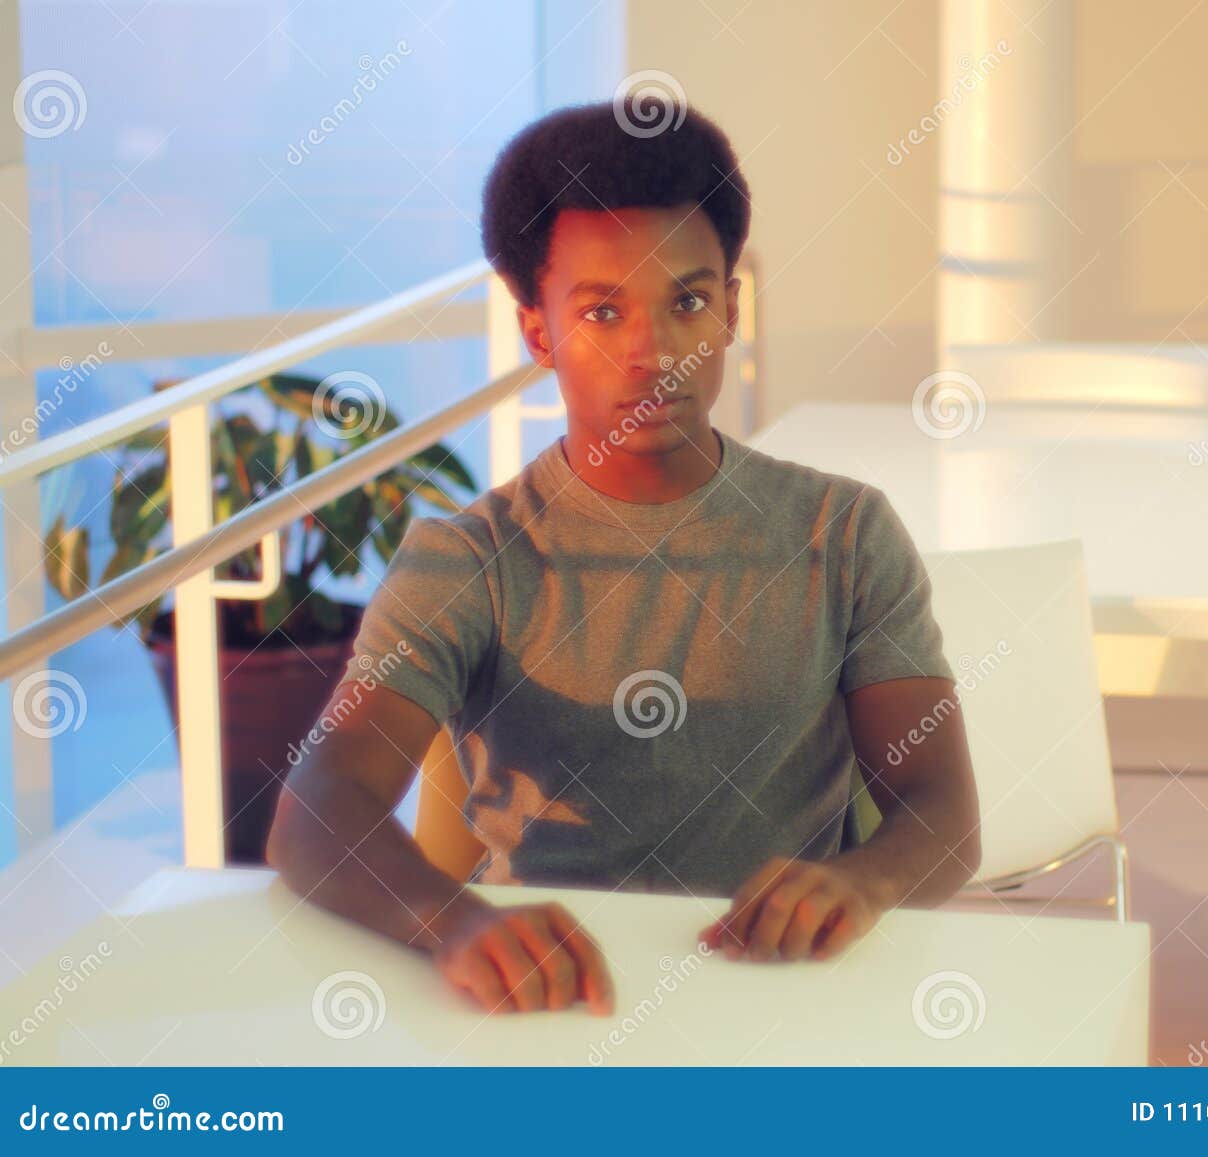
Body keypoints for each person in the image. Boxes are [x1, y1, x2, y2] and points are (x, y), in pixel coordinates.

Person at [266, 96, 982, 1018]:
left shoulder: (844, 533)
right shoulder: (468, 560)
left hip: (787, 999)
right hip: (553, 1006)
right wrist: (456, 922)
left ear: (729, 310)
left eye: (687, 301)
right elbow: (320, 807)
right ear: (538, 335)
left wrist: (864, 882)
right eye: (603, 312)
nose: (655, 352)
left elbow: (940, 806)